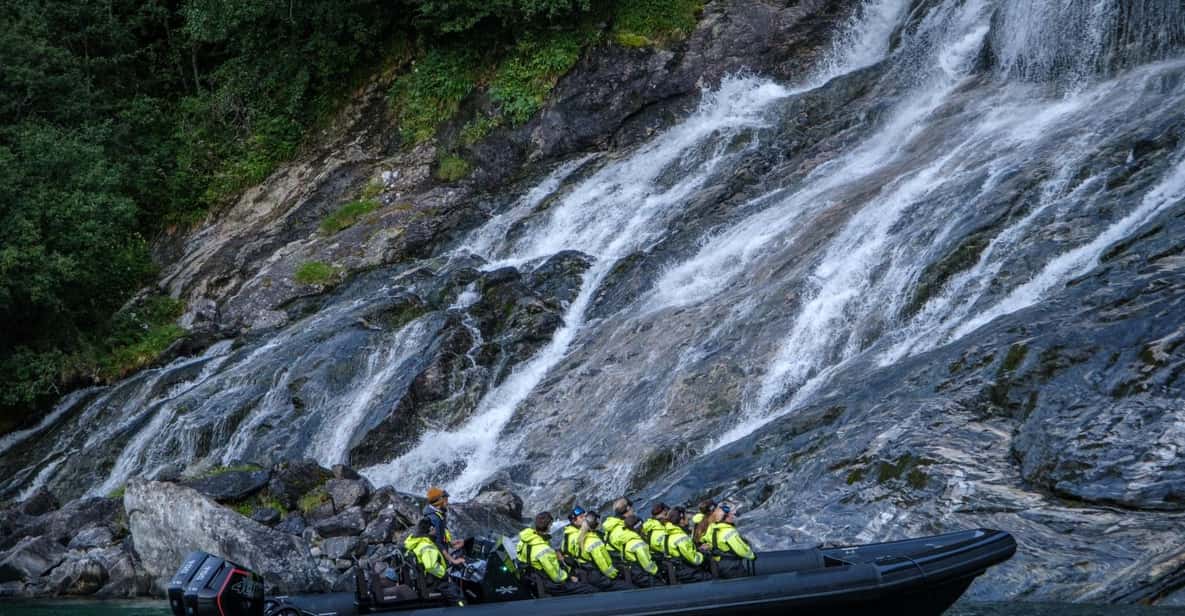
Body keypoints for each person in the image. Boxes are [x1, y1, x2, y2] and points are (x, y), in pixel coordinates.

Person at [517, 511, 596, 596]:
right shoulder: (544, 550)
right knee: (590, 589)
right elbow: (557, 577)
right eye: (551, 524)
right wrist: (570, 577)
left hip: (532, 578)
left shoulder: (525, 539)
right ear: (549, 525)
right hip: (549, 584)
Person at [404, 518, 465, 606]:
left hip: (428, 580)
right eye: (434, 528)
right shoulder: (426, 546)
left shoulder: (418, 542)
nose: (436, 530)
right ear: (430, 529)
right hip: (436, 582)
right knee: (459, 597)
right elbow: (431, 566)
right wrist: (444, 574)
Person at [568, 510, 633, 591]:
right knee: (629, 587)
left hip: (588, 574)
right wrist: (616, 575)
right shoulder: (594, 542)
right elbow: (603, 566)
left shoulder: (579, 537)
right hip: (598, 577)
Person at [604, 512, 662, 587]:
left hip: (630, 572)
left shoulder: (625, 538)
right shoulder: (638, 544)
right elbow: (647, 565)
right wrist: (657, 573)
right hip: (641, 574)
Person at [703, 503, 756, 579]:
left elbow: (709, 542)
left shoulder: (712, 528)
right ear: (724, 518)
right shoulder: (728, 532)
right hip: (731, 565)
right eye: (729, 515)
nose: (732, 516)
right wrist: (751, 556)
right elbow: (740, 549)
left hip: (717, 565)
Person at [664, 506, 712, 583]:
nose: (688, 519)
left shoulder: (669, 533)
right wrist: (703, 551)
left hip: (678, 572)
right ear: (681, 520)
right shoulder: (681, 538)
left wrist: (698, 550)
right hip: (689, 573)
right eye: (686, 517)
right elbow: (695, 560)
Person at [424, 487, 466, 567]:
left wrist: (451, 544)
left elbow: (437, 538)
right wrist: (453, 560)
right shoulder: (435, 519)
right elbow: (438, 544)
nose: (447, 503)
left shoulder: (433, 513)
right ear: (440, 502)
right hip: (436, 560)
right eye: (446, 500)